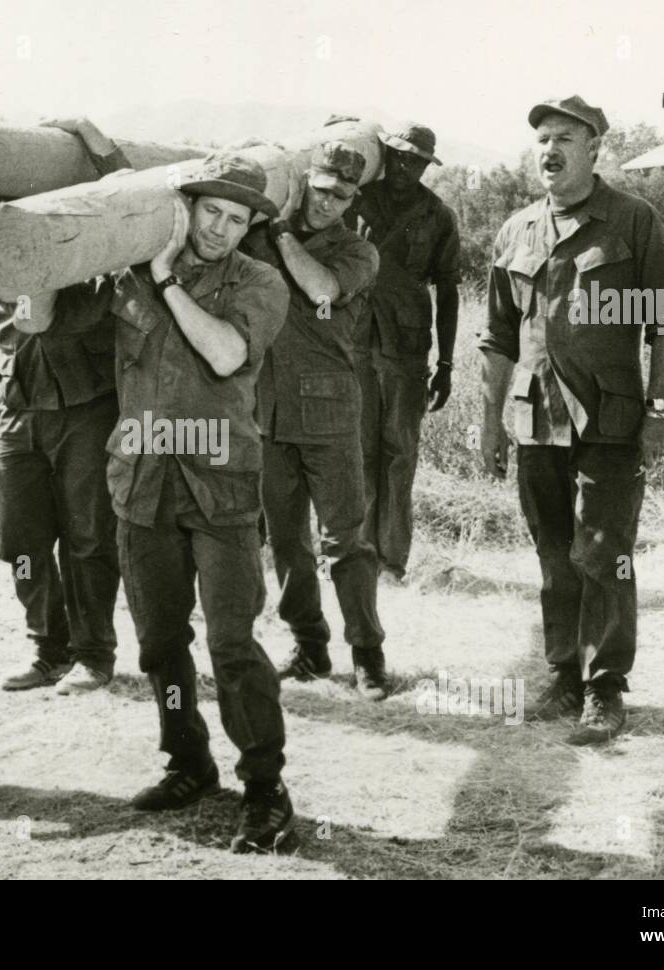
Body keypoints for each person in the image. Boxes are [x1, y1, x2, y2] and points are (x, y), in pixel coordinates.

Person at [480, 95, 664, 744]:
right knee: (553, 556)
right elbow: (497, 339)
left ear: (595, 147)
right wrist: (490, 422)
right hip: (535, 420)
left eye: (565, 136)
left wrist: (657, 409)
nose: (550, 149)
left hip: (610, 422)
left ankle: (605, 689)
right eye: (542, 136)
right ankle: (564, 675)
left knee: (605, 555)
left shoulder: (631, 221)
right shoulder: (517, 230)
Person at [105, 150, 295, 853]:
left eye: (235, 218)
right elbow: (39, 324)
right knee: (159, 642)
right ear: (185, 209)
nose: (219, 228)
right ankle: (188, 762)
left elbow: (222, 354)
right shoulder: (131, 269)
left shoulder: (261, 281)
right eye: (209, 212)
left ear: (251, 226)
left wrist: (168, 283)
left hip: (220, 486)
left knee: (231, 644)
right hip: (143, 481)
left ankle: (266, 789)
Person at [240, 142, 388, 699]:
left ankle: (368, 655)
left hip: (328, 413)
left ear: (354, 198)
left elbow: (321, 290)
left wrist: (281, 235)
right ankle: (310, 646)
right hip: (267, 414)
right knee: (286, 543)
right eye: (320, 190)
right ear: (306, 183)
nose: (328, 203)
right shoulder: (258, 237)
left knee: (346, 541)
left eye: (341, 195)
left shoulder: (356, 252)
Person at [0, 118, 127, 696]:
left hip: (86, 406)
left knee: (89, 538)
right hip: (19, 406)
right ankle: (50, 648)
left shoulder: (96, 235)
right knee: (19, 540)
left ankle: (94, 654)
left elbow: (132, 188)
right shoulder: (3, 226)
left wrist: (90, 134)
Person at [338, 118, 461, 583]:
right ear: (387, 156)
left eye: (418, 162)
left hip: (407, 351)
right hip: (353, 343)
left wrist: (446, 364)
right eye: (400, 157)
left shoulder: (437, 216)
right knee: (357, 451)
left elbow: (448, 290)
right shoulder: (356, 203)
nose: (407, 167)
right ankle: (357, 554)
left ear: (427, 167)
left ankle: (392, 561)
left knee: (400, 453)